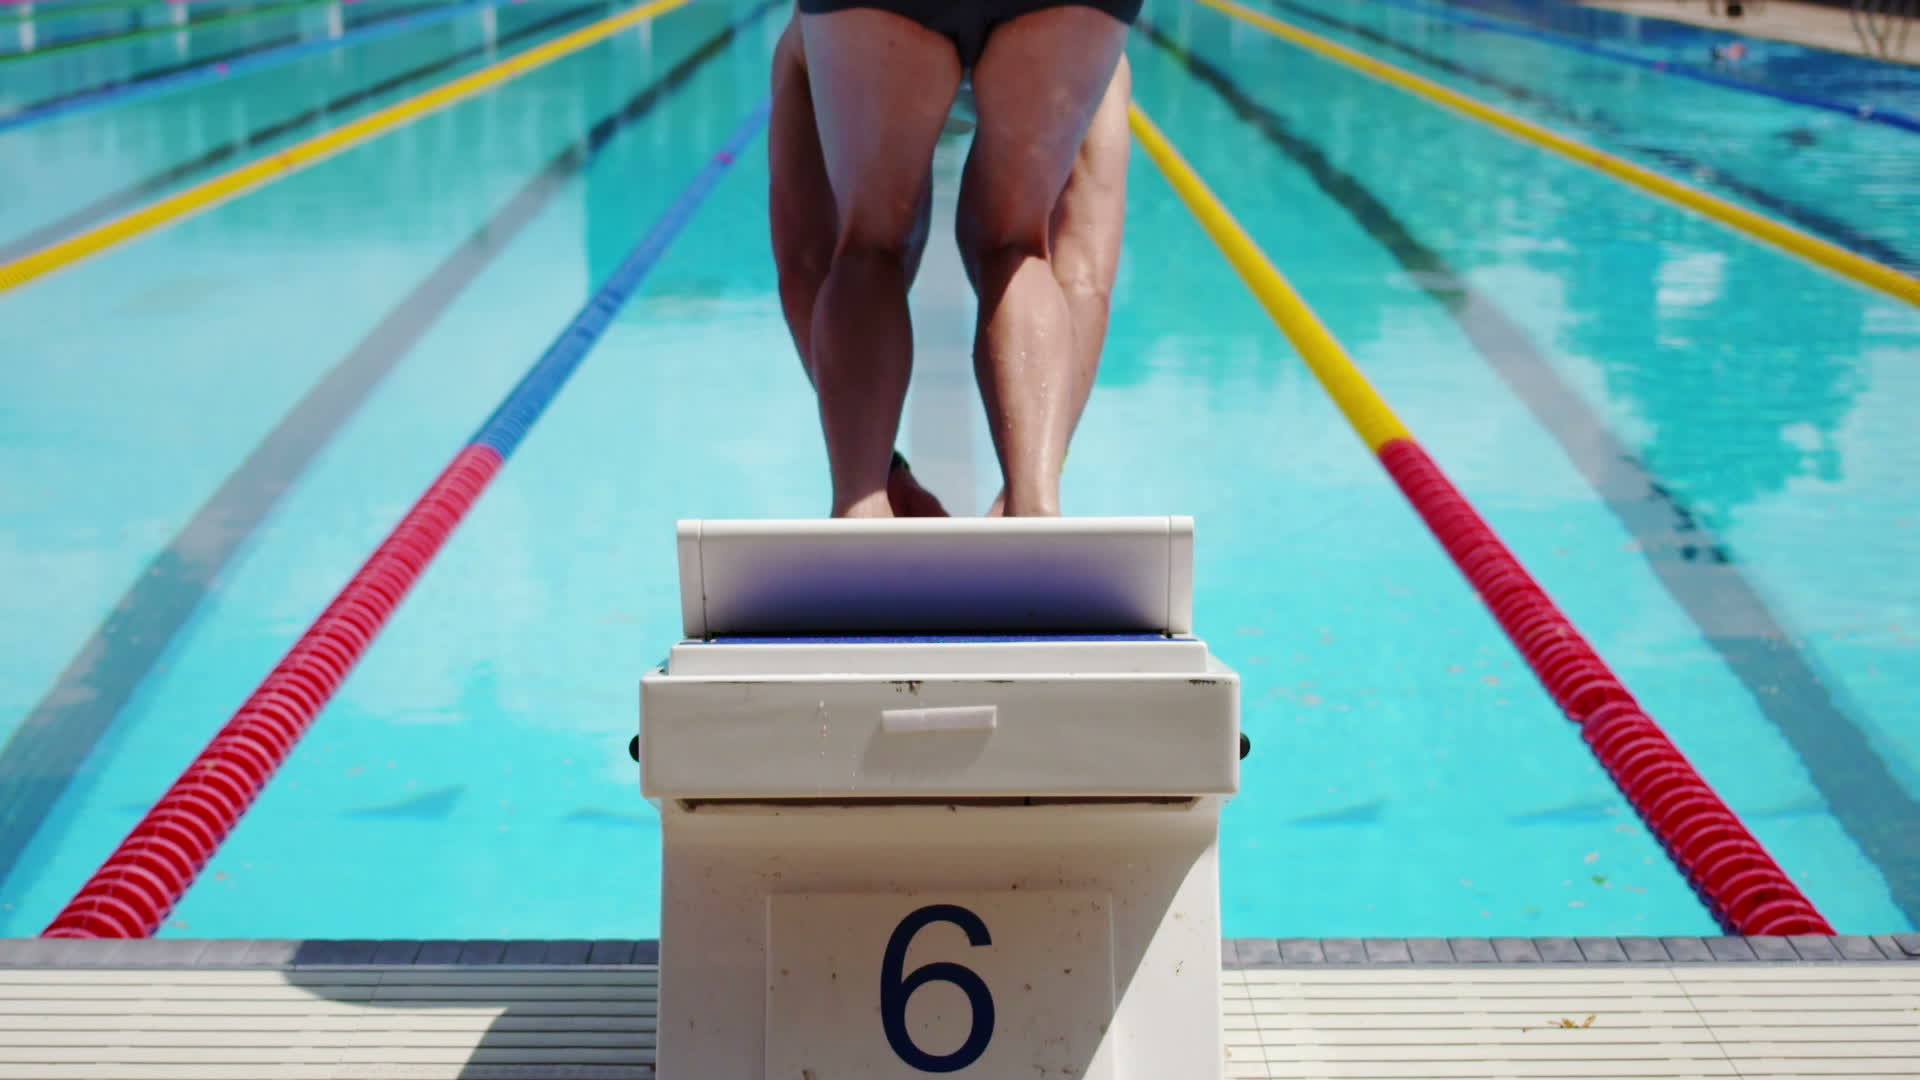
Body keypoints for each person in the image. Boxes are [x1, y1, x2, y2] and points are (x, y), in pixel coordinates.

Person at [768, 0, 1139, 517]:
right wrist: (1040, 466)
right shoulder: (1101, 64)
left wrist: (876, 469)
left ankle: (863, 513)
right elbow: (1084, 279)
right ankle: (1035, 512)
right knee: (1015, 243)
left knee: (871, 244)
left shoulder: (804, 44)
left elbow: (805, 263)